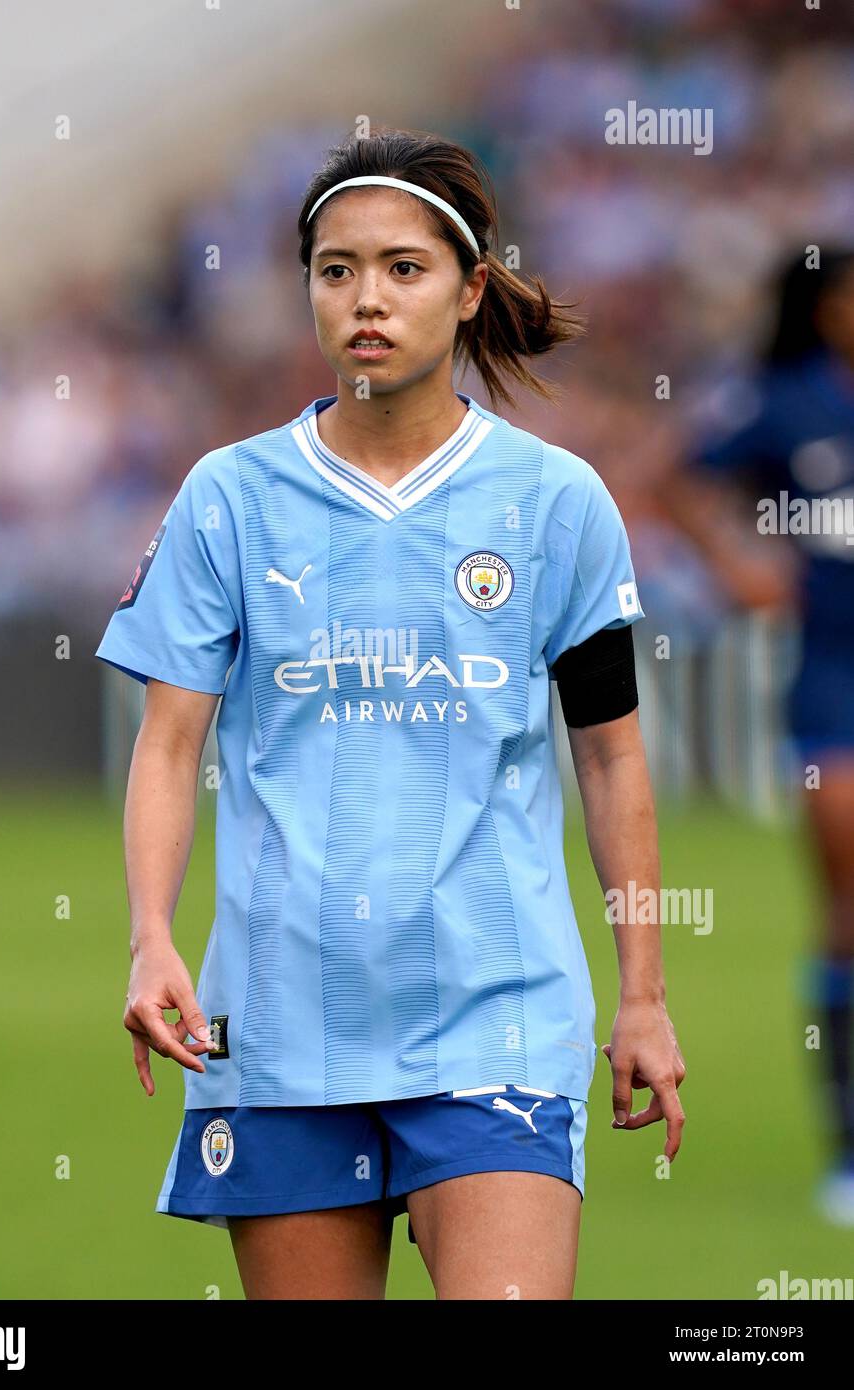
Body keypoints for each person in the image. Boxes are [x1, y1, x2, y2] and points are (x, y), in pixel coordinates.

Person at [95, 128, 685, 1300]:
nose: (366, 297)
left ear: (469, 289)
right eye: (335, 268)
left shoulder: (555, 502)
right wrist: (151, 935)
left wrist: (643, 996)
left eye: (403, 268)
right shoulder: (229, 496)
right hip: (272, 1021)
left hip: (495, 1021)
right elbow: (170, 745)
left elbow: (611, 759)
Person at [668, 248, 854, 1226]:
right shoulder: (786, 405)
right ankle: (846, 1147)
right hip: (831, 681)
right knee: (844, 901)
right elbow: (682, 479)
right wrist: (734, 568)